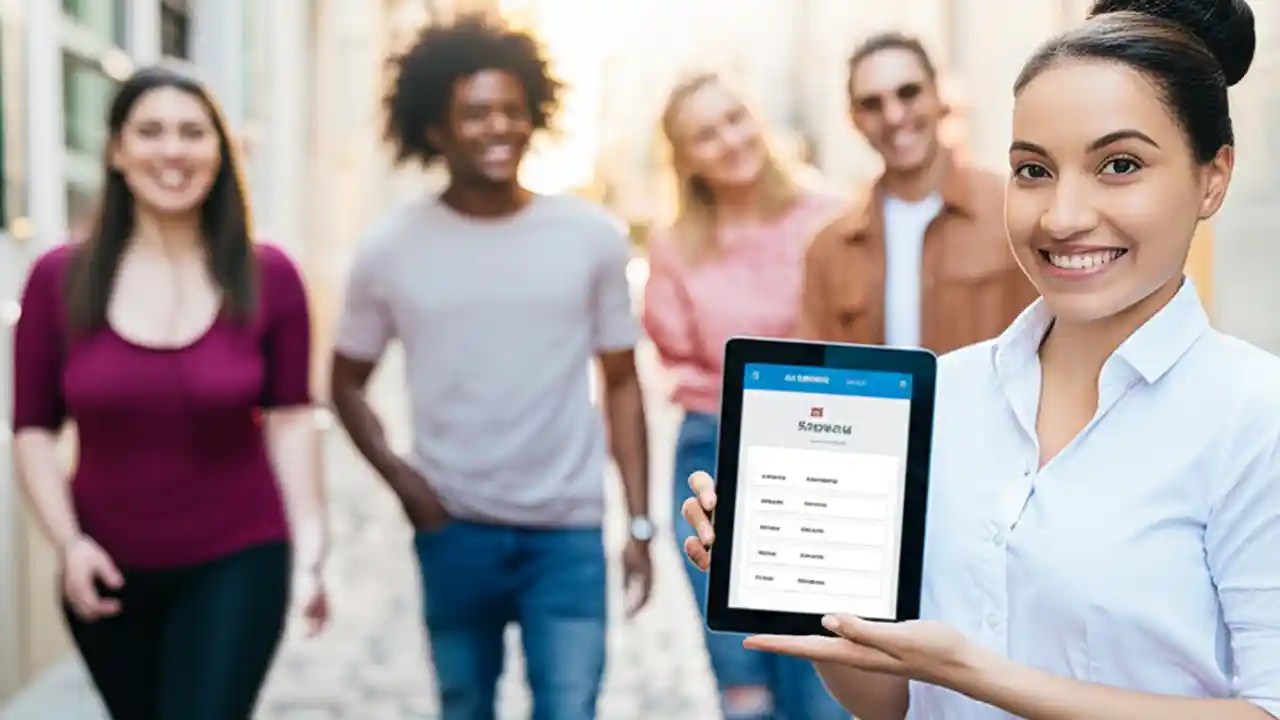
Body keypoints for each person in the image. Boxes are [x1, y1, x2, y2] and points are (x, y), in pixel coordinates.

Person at [680, 0, 1280, 717]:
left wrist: (978, 674)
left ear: (1213, 177)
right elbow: (893, 704)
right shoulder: (947, 394)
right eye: (1033, 170)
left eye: (1119, 165)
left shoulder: (1254, 417)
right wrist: (802, 579)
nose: (1062, 216)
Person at [328, 15, 652, 720]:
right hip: (454, 531)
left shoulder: (590, 238)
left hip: (566, 534)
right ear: (436, 128)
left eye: (511, 109)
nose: (498, 126)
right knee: (464, 707)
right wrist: (405, 484)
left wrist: (639, 523)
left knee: (570, 710)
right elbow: (344, 383)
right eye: (475, 113)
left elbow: (623, 383)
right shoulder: (390, 249)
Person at [11, 66, 328, 720]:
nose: (173, 151)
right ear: (116, 150)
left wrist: (311, 546)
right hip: (106, 567)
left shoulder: (269, 276)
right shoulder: (57, 279)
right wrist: (69, 544)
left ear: (220, 150)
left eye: (193, 132)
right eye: (150, 131)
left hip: (239, 557)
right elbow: (33, 429)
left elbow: (292, 420)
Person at [641, 72, 846, 720]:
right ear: (685, 159)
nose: (729, 140)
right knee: (743, 677)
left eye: (734, 119)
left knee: (823, 665)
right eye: (705, 134)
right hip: (715, 447)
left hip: (820, 446)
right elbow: (677, 353)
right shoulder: (675, 246)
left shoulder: (829, 217)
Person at [799, 32, 1038, 352]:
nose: (893, 116)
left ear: (939, 95)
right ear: (854, 120)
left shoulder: (1012, 209)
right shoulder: (829, 249)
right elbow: (817, 368)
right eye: (872, 104)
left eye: (908, 93)